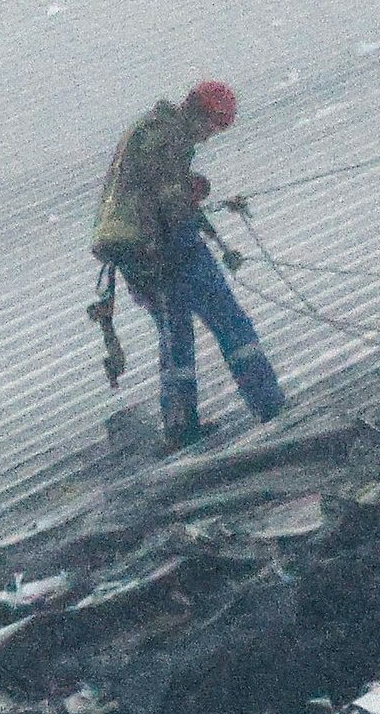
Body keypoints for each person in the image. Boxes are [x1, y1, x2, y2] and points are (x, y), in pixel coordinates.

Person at [90, 81, 285, 449]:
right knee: (228, 320)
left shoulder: (150, 129)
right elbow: (167, 200)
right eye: (213, 127)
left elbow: (145, 187)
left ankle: (181, 426)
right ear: (200, 115)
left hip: (130, 251)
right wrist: (194, 205)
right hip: (160, 245)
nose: (210, 137)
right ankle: (268, 402)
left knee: (174, 333)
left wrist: (189, 188)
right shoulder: (168, 137)